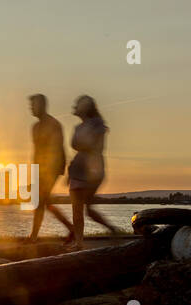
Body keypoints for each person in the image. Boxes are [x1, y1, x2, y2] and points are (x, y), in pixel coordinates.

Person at [66, 94, 119, 248]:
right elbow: (76, 144)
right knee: (77, 210)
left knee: (87, 209)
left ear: (86, 107)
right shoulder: (79, 127)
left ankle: (111, 229)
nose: (76, 106)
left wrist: (84, 144)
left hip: (92, 170)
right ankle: (79, 242)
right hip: (77, 170)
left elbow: (94, 145)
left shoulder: (98, 124)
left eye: (79, 104)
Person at [24, 94, 74, 243]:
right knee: (43, 202)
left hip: (53, 167)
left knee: (40, 201)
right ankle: (71, 228)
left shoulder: (53, 125)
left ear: (42, 105)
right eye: (30, 106)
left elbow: (58, 149)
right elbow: (36, 152)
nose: (31, 109)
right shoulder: (35, 127)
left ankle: (33, 237)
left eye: (33, 105)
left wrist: (54, 171)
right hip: (40, 168)